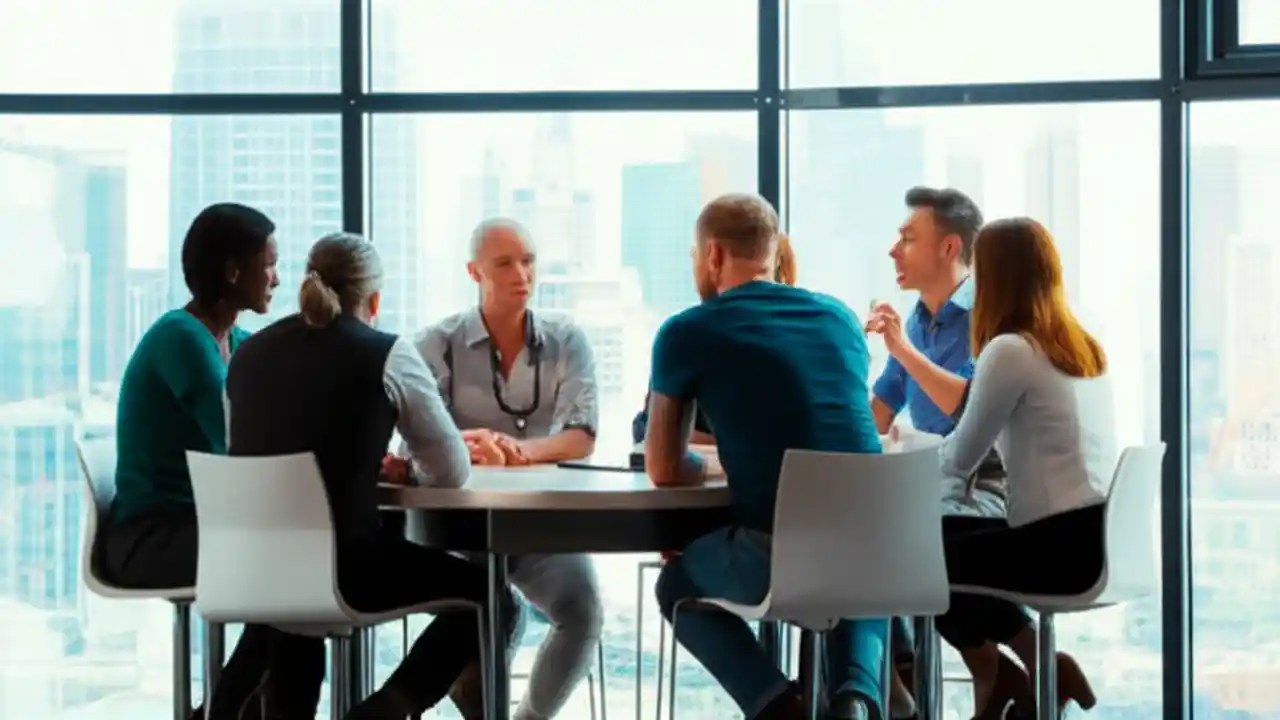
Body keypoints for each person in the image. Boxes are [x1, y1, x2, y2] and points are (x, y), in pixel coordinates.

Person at [223, 232, 518, 720]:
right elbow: (451, 472)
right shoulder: (385, 353)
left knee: (297, 616)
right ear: (374, 299)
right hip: (346, 569)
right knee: (492, 597)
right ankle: (386, 710)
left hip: (255, 565)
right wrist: (408, 468)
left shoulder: (247, 355)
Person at [646, 193, 887, 720]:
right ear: (775, 252)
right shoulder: (841, 318)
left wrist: (703, 465)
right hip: (888, 546)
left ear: (711, 255)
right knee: (857, 569)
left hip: (783, 553)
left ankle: (779, 704)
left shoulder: (687, 331)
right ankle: (854, 697)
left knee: (676, 583)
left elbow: (663, 468)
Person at [414, 218, 602, 720]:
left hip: (541, 523)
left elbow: (581, 436)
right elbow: (418, 435)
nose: (522, 273)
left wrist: (515, 450)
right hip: (461, 529)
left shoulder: (568, 340)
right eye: (505, 263)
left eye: (529, 260)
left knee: (583, 612)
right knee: (494, 612)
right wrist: (472, 445)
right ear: (474, 271)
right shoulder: (436, 342)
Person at [104, 202, 280, 719]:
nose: (276, 277)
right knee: (294, 572)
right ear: (232, 271)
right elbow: (239, 444)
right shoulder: (181, 338)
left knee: (298, 570)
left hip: (199, 526)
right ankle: (223, 712)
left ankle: (230, 711)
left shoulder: (238, 342)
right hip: (149, 538)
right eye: (267, 263)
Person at [936, 217, 1110, 718]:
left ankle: (1015, 666)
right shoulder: (1081, 346)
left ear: (994, 279)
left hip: (1055, 544)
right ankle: (1040, 663)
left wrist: (903, 468)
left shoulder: (1011, 350)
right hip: (1094, 535)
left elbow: (961, 458)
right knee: (942, 543)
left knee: (916, 556)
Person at [863, 188, 1018, 718]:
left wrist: (902, 349)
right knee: (866, 536)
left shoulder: (988, 316)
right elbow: (877, 415)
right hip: (933, 490)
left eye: (908, 239)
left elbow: (968, 411)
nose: (893, 250)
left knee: (898, 546)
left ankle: (919, 683)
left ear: (950, 248)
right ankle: (925, 681)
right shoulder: (919, 319)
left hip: (988, 490)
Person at [631, 232, 799, 445]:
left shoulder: (689, 337)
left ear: (714, 259)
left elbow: (657, 435)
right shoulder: (821, 325)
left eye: (696, 257)